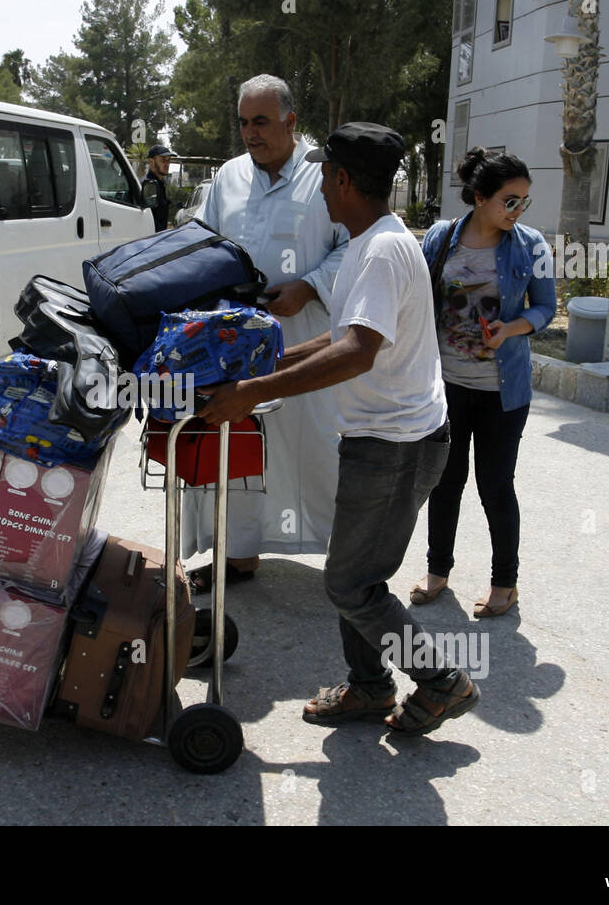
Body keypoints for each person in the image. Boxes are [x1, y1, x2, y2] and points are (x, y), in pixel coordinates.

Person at [198, 122, 478, 735]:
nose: (319, 186)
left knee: (351, 585)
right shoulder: (371, 241)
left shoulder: (379, 251)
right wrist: (269, 363)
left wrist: (251, 394)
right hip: (382, 437)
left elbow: (356, 352)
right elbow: (341, 334)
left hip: (396, 446)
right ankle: (370, 688)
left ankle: (440, 680)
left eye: (325, 174)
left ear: (344, 180)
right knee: (357, 575)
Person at [180, 74, 349, 593]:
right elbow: (201, 242)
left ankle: (347, 567)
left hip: (302, 337)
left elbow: (353, 244)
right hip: (231, 342)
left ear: (291, 122)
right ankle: (237, 553)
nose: (251, 134)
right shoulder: (228, 176)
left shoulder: (326, 174)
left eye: (262, 122)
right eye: (244, 123)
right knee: (235, 445)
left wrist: (310, 284)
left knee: (313, 449)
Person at [410, 148, 555, 617]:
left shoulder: (531, 245)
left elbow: (545, 307)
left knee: (495, 485)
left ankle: (505, 583)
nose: (517, 211)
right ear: (479, 197)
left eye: (523, 202)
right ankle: (437, 572)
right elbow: (417, 296)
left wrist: (512, 328)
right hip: (448, 385)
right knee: (444, 481)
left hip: (503, 391)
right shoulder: (440, 237)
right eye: (509, 201)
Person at [143, 144, 173, 230]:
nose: (167, 164)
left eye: (168, 160)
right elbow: (148, 216)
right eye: (163, 161)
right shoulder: (148, 184)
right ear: (151, 162)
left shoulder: (160, 183)